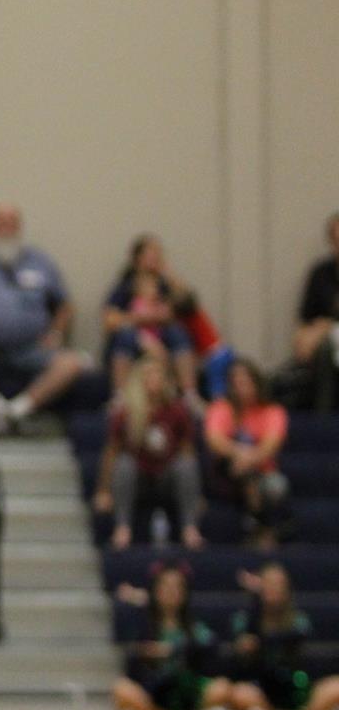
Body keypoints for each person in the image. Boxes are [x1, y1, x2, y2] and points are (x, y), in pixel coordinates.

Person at [0, 203, 89, 431]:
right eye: (1, 223)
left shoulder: (40, 261)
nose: (6, 229)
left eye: (11, 223)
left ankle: (17, 410)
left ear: (19, 227)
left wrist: (55, 333)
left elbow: (65, 306)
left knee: (72, 363)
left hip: (31, 347)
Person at [92, 354, 205, 551]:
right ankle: (122, 527)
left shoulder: (177, 410)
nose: (154, 380)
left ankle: (189, 528)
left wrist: (196, 493)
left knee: (186, 465)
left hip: (167, 476)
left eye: (158, 375)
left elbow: (187, 450)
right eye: (148, 375)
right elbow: (111, 452)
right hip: (138, 478)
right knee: (124, 463)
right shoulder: (126, 413)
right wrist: (103, 490)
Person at [112, 562, 232, 710]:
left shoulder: (196, 628)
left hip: (189, 692)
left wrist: (174, 650)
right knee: (121, 688)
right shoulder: (144, 627)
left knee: (222, 687)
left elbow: (212, 656)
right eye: (166, 586)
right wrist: (146, 656)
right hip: (157, 694)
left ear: (184, 593)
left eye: (177, 586)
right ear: (156, 591)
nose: (171, 591)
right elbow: (132, 671)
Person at [228, 562, 339, 710]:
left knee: (336, 686)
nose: (273, 588)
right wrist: (256, 601)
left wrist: (260, 642)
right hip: (263, 694)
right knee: (239, 694)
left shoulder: (298, 621)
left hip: (297, 692)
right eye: (268, 583)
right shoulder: (246, 619)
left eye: (278, 584)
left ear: (288, 589)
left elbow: (294, 637)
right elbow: (243, 649)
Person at [102, 235, 200, 404]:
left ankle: (189, 395)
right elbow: (110, 320)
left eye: (158, 252)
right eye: (151, 252)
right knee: (125, 335)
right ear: (138, 258)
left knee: (178, 332)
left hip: (163, 336)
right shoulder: (126, 286)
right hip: (135, 338)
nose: (156, 256)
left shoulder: (165, 283)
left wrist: (169, 275)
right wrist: (141, 321)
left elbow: (188, 304)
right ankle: (120, 398)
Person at [203, 359, 290, 548]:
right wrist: (239, 454)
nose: (241, 389)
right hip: (226, 473)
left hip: (262, 472)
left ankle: (257, 524)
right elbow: (214, 440)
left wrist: (248, 459)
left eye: (246, 383)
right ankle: (263, 527)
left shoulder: (273, 411)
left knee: (276, 485)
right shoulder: (221, 407)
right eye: (236, 384)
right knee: (243, 475)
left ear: (257, 383)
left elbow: (270, 446)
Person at [294, 212, 339, 412]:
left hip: (328, 333)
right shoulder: (321, 273)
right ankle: (324, 417)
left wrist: (327, 325)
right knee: (322, 347)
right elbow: (307, 317)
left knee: (328, 344)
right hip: (323, 337)